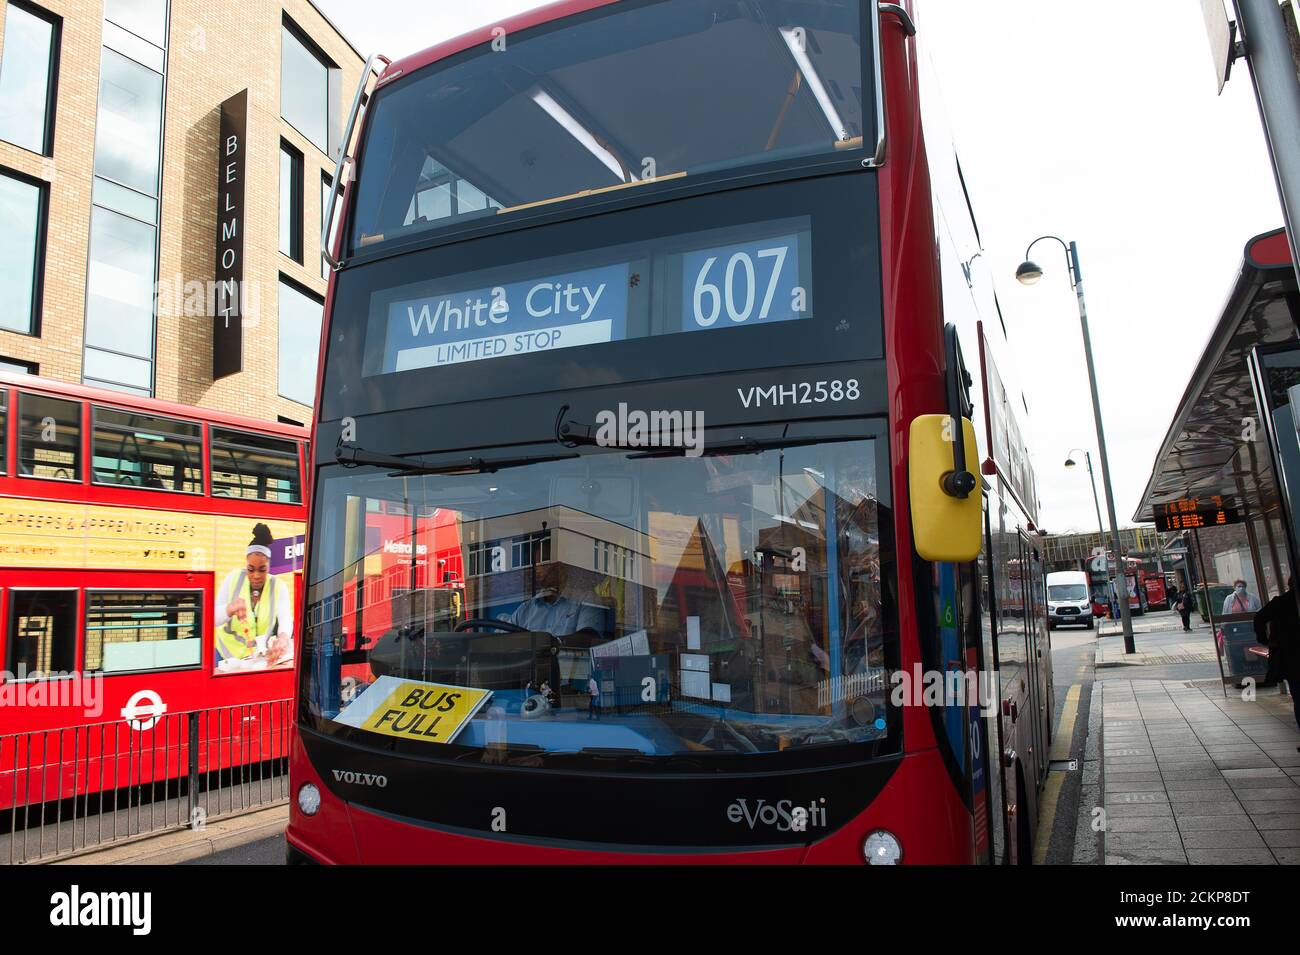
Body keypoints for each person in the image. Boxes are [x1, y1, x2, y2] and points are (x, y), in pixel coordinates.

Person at [214, 523, 295, 668]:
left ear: (269, 566)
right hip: (227, 659)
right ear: (246, 565)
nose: (256, 576)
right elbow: (212, 619)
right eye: (251, 570)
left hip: (256, 661)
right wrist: (229, 608)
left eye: (262, 570)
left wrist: (283, 639)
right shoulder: (231, 579)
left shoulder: (278, 586)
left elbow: (285, 618)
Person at [1252, 580, 1300, 743]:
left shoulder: (1281, 602)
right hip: (1292, 654)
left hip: (1291, 655)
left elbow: (1259, 618)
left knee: (1298, 695)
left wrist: (1264, 640)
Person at [504, 562, 605, 639]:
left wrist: (549, 644)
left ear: (561, 566)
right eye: (537, 563)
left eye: (544, 561)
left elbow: (587, 640)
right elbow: (501, 643)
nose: (539, 568)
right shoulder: (525, 610)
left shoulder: (586, 600)